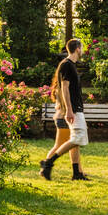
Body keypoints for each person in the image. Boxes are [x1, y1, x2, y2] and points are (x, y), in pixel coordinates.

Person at [40, 39, 89, 181]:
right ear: (77, 49)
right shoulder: (67, 65)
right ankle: (48, 163)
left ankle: (77, 173)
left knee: (75, 141)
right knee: (77, 138)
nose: (83, 50)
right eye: (82, 48)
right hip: (72, 109)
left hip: (75, 108)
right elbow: (65, 88)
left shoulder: (71, 65)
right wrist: (69, 110)